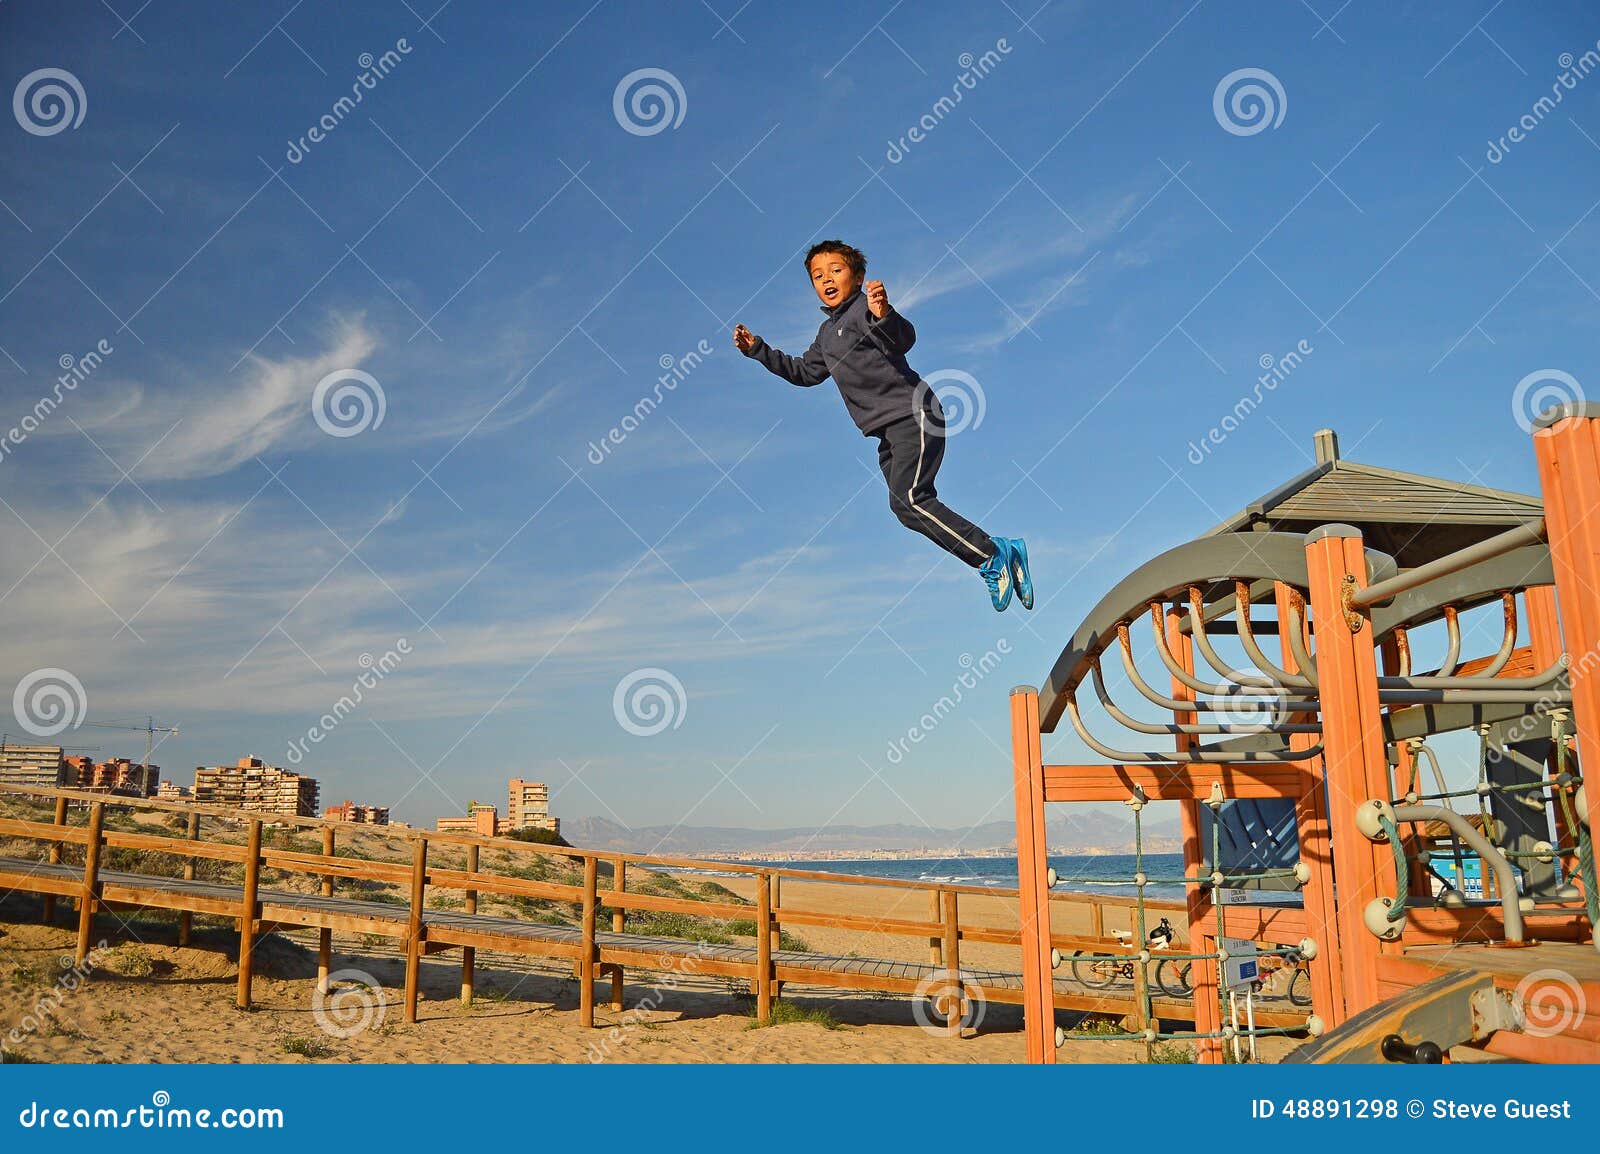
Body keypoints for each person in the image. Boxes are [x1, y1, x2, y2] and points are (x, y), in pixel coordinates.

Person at [733, 240, 1032, 611]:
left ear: (857, 277)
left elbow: (903, 338)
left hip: (913, 415)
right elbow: (804, 373)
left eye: (836, 270)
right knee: (904, 507)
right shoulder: (826, 335)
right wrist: (757, 350)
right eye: (817, 275)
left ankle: (991, 556)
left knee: (911, 497)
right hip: (887, 433)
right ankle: (999, 551)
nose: (826, 279)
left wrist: (883, 312)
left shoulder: (864, 310)